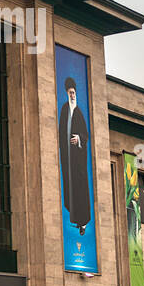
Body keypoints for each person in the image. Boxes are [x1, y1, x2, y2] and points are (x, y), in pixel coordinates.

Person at [57, 77, 92, 234]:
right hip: (68, 160)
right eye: (70, 93)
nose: (72, 96)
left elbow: (86, 135)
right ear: (67, 93)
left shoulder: (78, 112)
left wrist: (78, 139)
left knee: (80, 189)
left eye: (74, 93)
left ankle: (83, 222)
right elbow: (60, 132)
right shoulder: (65, 110)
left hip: (78, 161)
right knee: (70, 189)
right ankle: (74, 218)